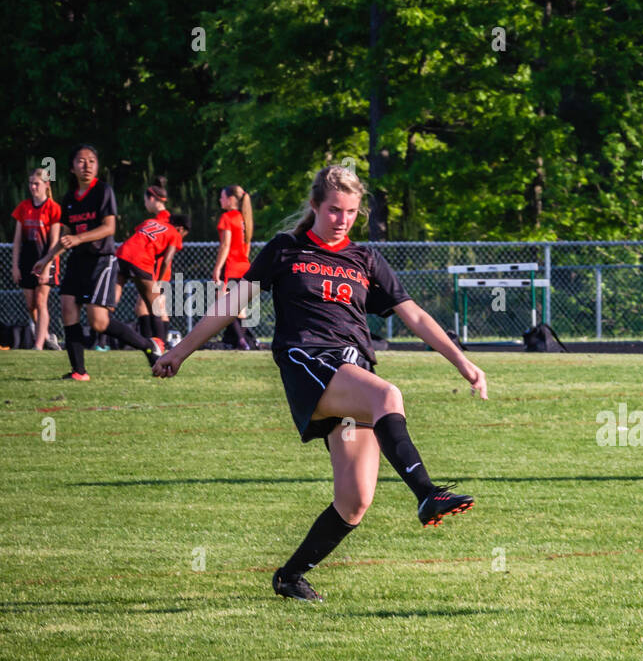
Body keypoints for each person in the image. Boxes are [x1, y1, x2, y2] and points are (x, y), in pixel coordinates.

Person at [152, 164, 488, 602]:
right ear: (314, 206)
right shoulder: (286, 248)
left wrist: (462, 362)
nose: (342, 219)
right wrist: (179, 352)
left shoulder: (365, 259)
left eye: (350, 211)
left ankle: (289, 577)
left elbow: (416, 315)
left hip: (352, 373)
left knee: (354, 502)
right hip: (307, 360)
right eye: (333, 210)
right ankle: (427, 494)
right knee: (387, 394)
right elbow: (231, 302)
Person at [30, 145, 164, 380]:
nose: (87, 166)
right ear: (72, 167)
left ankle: (148, 345)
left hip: (101, 262)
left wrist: (79, 238)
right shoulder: (70, 198)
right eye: (81, 161)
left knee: (99, 322)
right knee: (67, 309)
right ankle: (79, 371)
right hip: (77, 262)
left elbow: (109, 228)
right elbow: (66, 234)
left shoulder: (103, 191)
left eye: (91, 161)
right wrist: (46, 259)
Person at [114, 186, 187, 341]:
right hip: (147, 264)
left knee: (145, 307)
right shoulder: (162, 221)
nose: (145, 204)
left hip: (149, 266)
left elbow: (163, 252)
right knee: (157, 307)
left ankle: (152, 343)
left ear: (152, 199)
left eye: (146, 200)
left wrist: (158, 280)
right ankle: (157, 344)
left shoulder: (162, 220)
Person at [10, 167, 63, 351]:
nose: (33, 187)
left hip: (45, 260)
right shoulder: (23, 207)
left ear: (46, 184)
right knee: (31, 304)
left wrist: (47, 265)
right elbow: (17, 240)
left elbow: (55, 241)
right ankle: (47, 335)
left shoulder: (53, 208)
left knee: (41, 301)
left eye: (37, 183)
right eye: (31, 183)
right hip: (27, 260)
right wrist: (15, 266)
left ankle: (39, 345)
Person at [214, 184, 255, 349]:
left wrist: (217, 267)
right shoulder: (245, 218)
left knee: (223, 303)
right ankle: (240, 340)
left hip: (230, 266)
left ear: (231, 199)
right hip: (244, 266)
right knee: (239, 307)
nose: (220, 200)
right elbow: (248, 244)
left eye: (222, 197)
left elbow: (225, 245)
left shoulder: (228, 217)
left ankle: (241, 341)